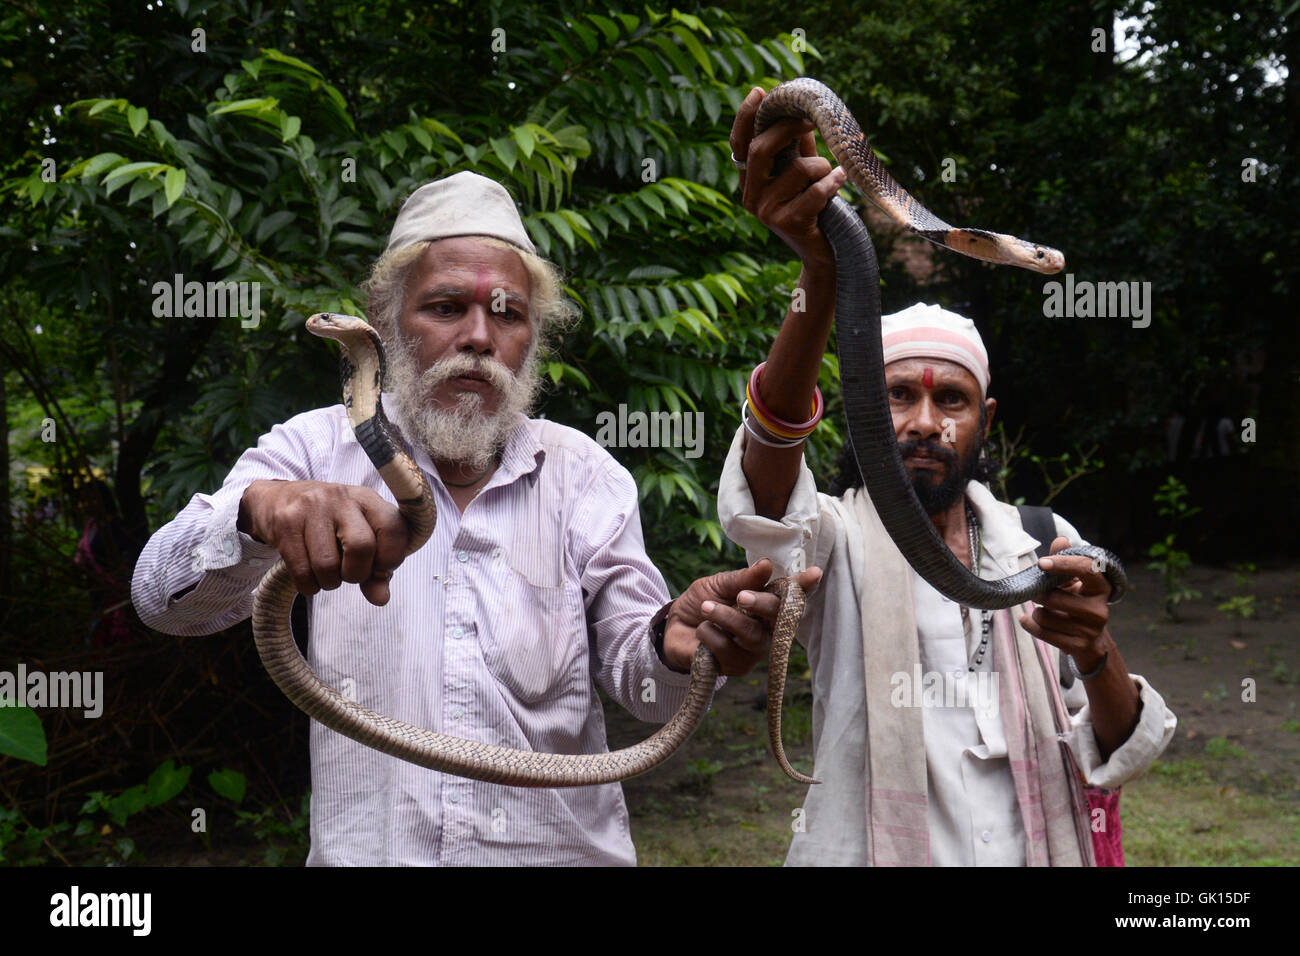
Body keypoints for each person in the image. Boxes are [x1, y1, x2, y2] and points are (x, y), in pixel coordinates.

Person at [132, 171, 820, 866]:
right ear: (385, 317)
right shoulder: (311, 451)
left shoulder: (583, 475)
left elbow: (645, 690)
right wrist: (257, 512)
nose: (479, 338)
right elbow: (162, 601)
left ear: (532, 336)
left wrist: (681, 644)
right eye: (445, 307)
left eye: (507, 313)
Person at [718, 88, 1175, 866]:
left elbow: (1125, 743)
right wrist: (821, 277)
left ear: (984, 421)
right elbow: (766, 482)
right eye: (899, 394)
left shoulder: (1042, 543)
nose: (926, 422)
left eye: (951, 400)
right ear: (863, 403)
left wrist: (1096, 652)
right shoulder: (835, 538)